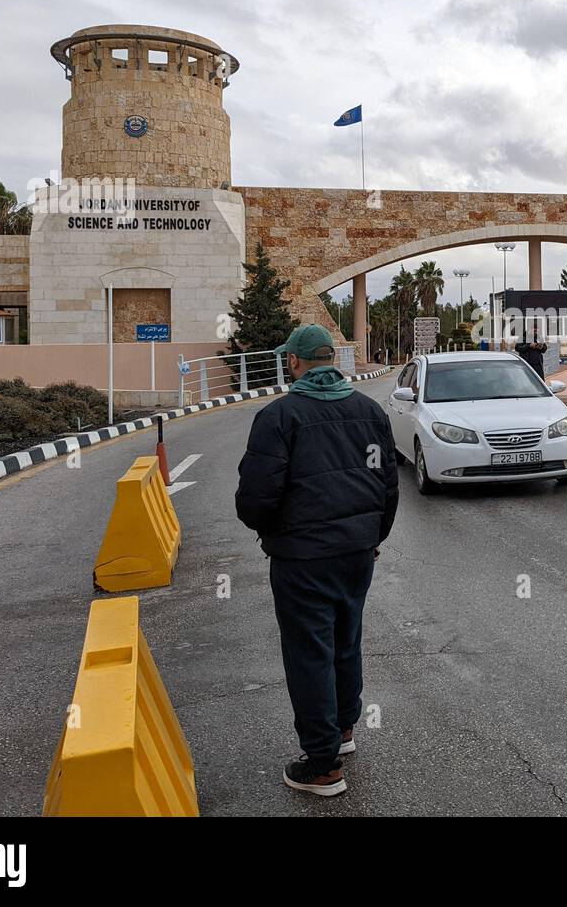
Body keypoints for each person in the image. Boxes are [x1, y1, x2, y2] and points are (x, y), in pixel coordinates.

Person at [235, 324, 399, 797]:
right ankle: (343, 730)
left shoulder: (279, 417)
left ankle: (323, 765)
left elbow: (256, 498)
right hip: (357, 553)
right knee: (345, 641)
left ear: (294, 362)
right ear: (333, 361)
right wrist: (372, 537)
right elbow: (387, 487)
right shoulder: (370, 411)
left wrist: (271, 533)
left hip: (302, 558)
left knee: (310, 653)